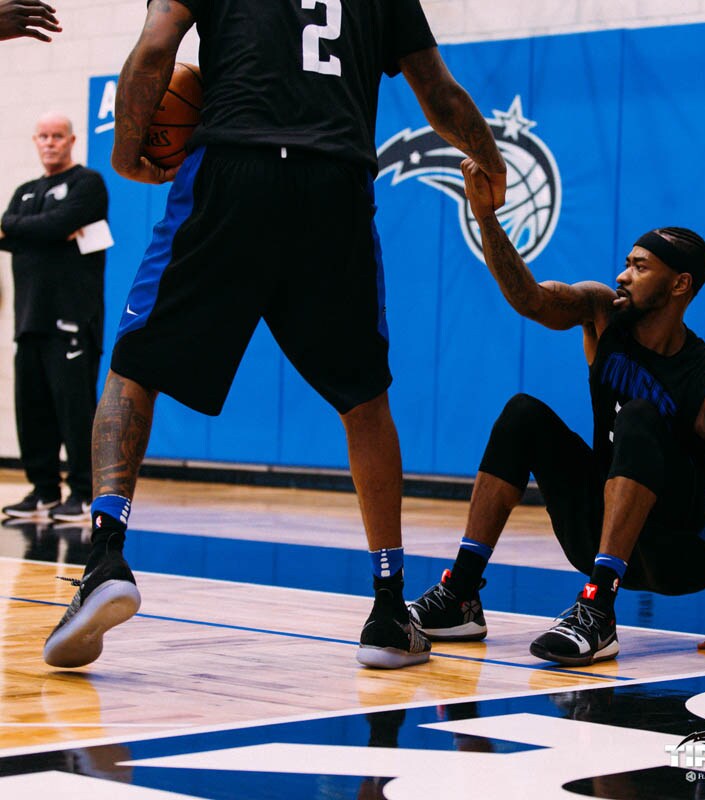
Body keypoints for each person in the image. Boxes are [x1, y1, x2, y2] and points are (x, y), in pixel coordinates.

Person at [42, 0, 506, 670]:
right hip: (334, 182)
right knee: (365, 400)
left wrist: (125, 153)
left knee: (133, 367)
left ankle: (106, 554)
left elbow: (155, 48)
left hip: (231, 163)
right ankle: (387, 607)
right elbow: (437, 88)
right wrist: (488, 161)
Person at [409, 158, 705, 667]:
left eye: (641, 267)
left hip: (679, 554)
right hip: (602, 533)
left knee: (638, 417)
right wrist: (486, 218)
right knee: (522, 413)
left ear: (679, 285)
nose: (623, 274)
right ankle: (461, 592)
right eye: (628, 261)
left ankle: (596, 610)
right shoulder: (603, 314)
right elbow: (531, 300)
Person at [0, 114, 109, 524]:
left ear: (71, 140)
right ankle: (43, 491)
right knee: (33, 408)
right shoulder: (25, 191)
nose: (50, 143)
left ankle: (83, 493)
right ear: (35, 140)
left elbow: (51, 224)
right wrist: (38, 230)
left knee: (75, 408)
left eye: (57, 136)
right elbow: (9, 229)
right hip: (30, 318)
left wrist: (20, 229)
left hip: (72, 319)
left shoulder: (88, 183)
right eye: (43, 136)